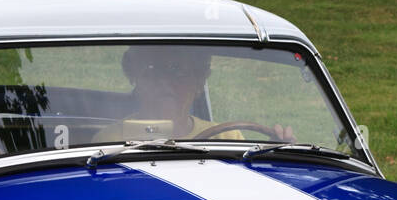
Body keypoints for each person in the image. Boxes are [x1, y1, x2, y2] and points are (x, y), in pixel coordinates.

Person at [91, 46, 292, 144]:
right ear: (135, 79)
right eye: (152, 69)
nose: (164, 81)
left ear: (198, 82)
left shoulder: (227, 137)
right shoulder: (111, 139)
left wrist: (278, 154)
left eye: (177, 70)